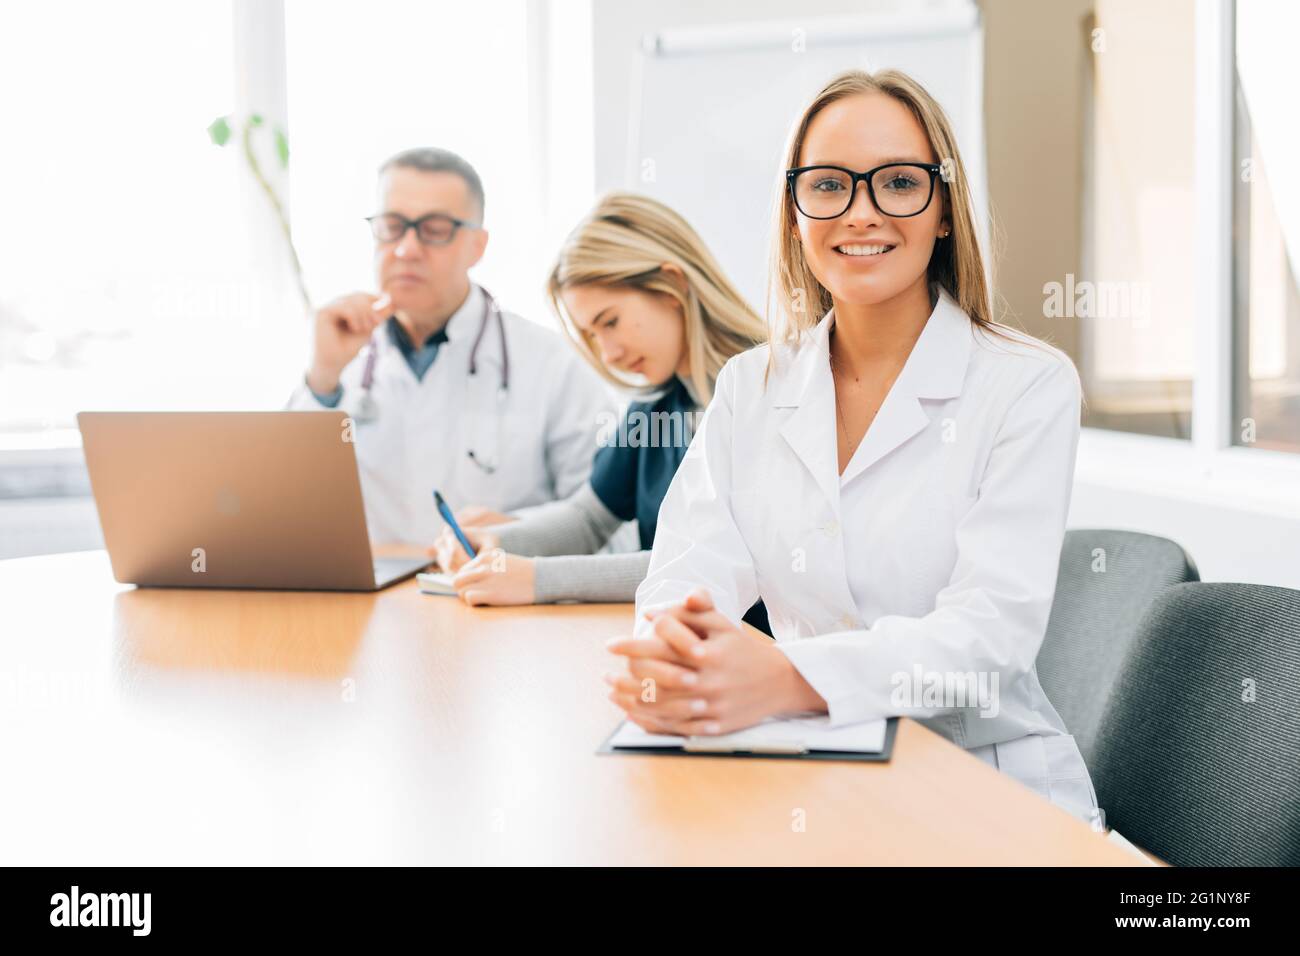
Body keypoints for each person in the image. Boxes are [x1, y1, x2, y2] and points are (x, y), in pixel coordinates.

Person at [606, 69, 1100, 825]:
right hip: (808, 771)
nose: (861, 213)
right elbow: (683, 577)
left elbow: (987, 638)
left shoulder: (1026, 385)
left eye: (899, 182)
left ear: (943, 210)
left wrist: (784, 677)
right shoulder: (749, 387)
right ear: (795, 214)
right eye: (830, 185)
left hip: (983, 788)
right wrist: (676, 659)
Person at [431, 193, 768, 618]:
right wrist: (498, 544)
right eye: (592, 335)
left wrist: (538, 580)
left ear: (673, 287)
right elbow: (589, 519)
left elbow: (714, 564)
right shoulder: (655, 408)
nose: (607, 354)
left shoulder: (768, 392)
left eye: (610, 322)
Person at [286, 147, 612, 545]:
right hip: (373, 603)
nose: (406, 249)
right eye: (392, 226)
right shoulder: (339, 357)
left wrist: (517, 534)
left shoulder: (553, 364)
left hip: (501, 599)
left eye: (435, 229)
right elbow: (283, 511)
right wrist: (322, 378)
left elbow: (609, 523)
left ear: (478, 245)